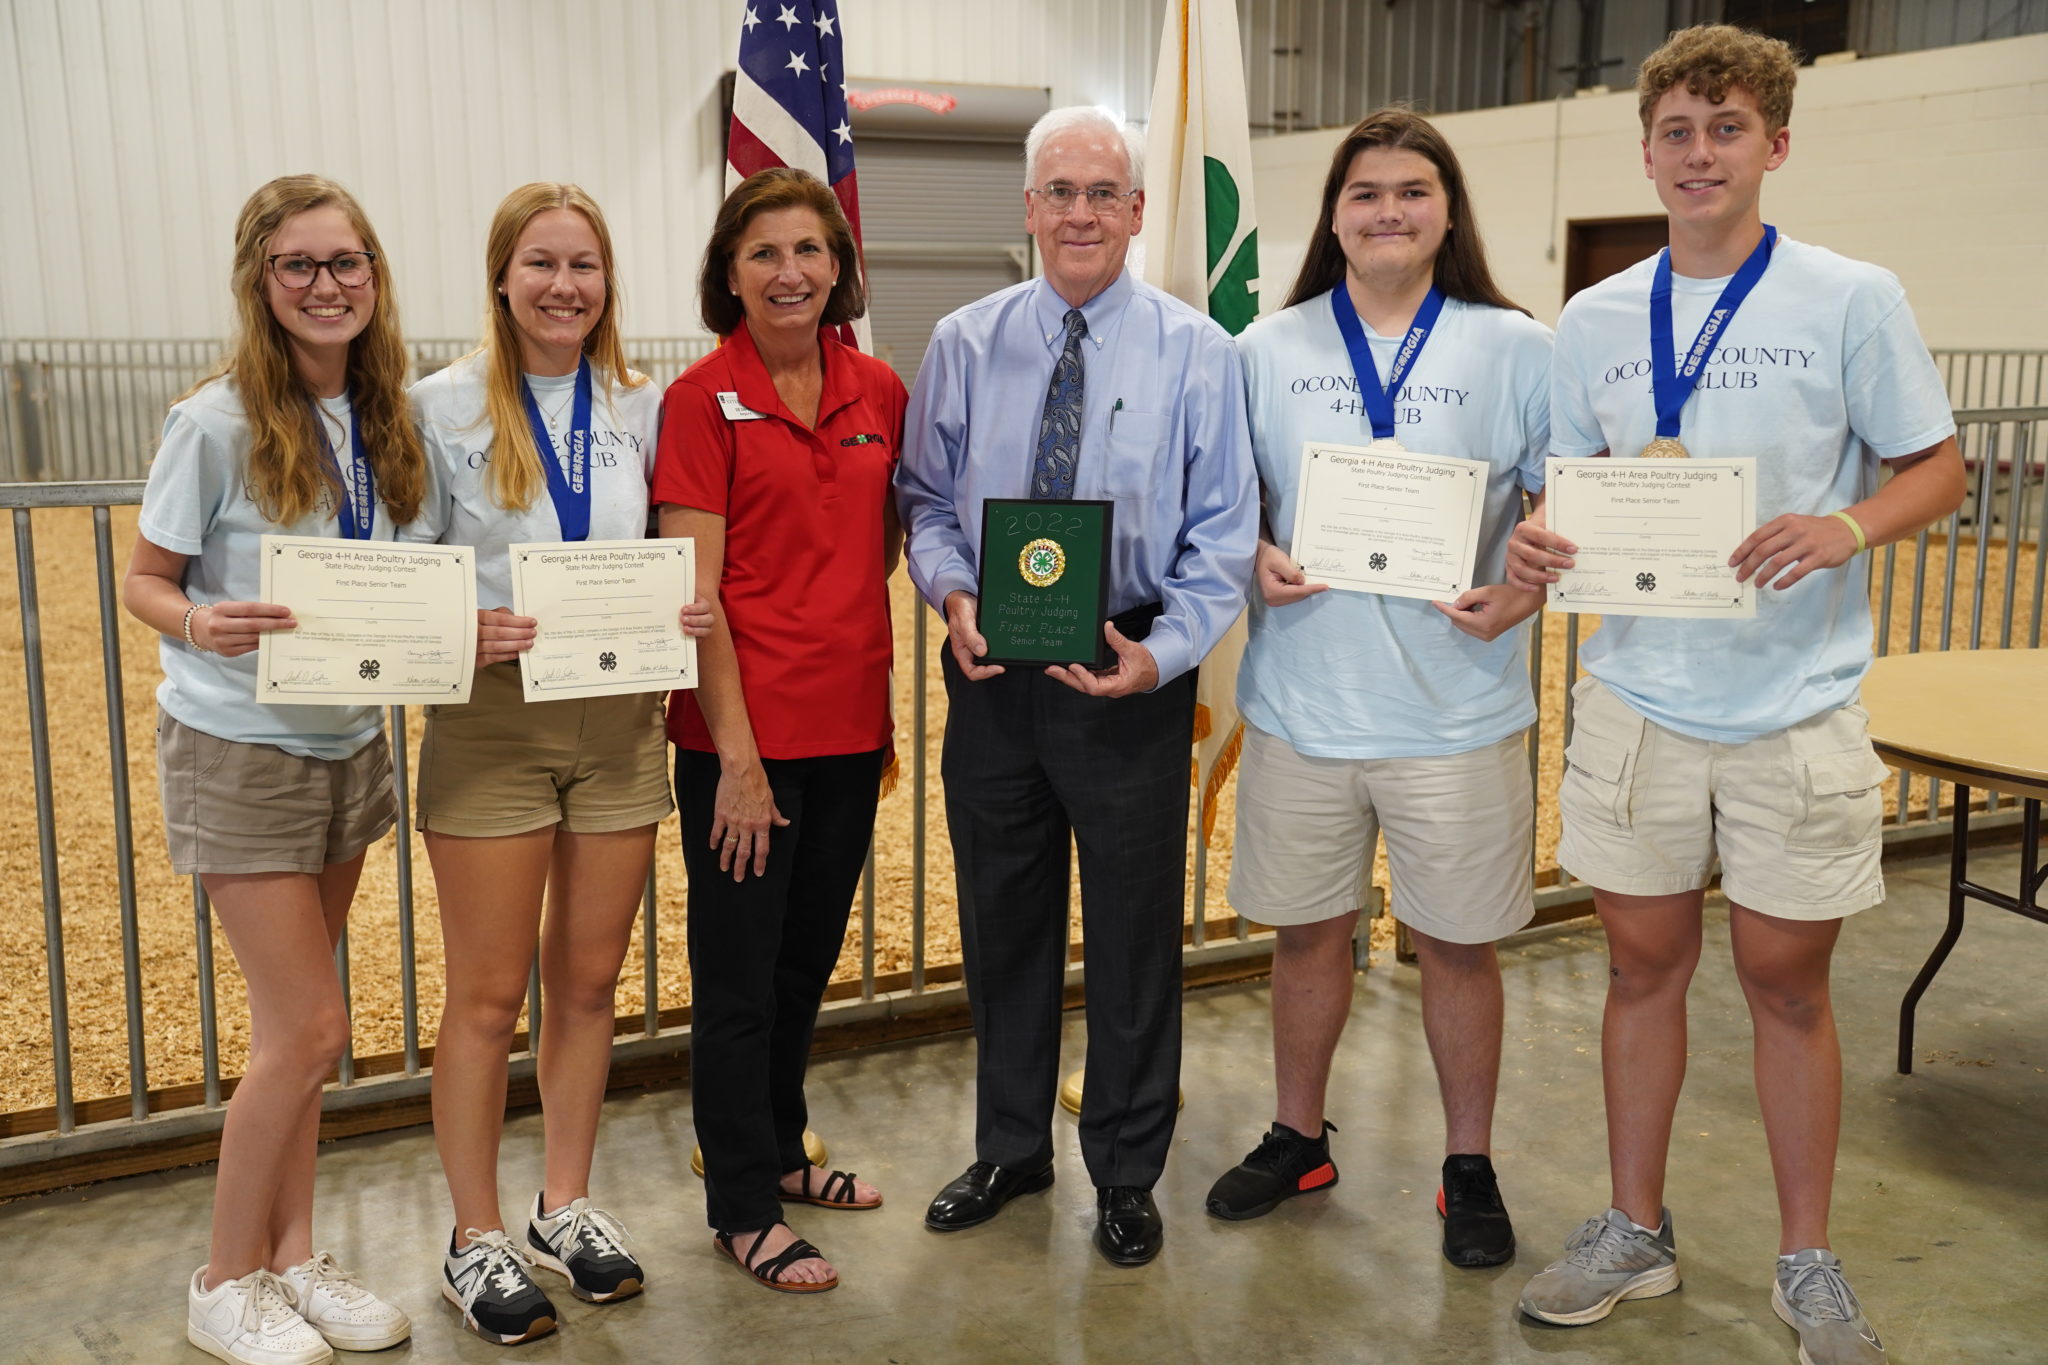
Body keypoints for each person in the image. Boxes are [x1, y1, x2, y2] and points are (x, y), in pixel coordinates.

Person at [1508, 26, 1964, 1365]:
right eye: (1677, 133)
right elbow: (1565, 487)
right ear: (1645, 150)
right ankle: (1634, 1229)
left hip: (1793, 699)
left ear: (1774, 144)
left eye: (1726, 129)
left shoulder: (1848, 295)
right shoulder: (1592, 319)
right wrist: (1539, 538)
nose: (1699, 153)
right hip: (1640, 696)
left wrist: (1849, 526)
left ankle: (1807, 1258)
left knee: (1787, 983)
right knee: (1640, 967)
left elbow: (1933, 465)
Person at [898, 105, 1259, 1268]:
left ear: (1139, 211)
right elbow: (924, 499)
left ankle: (1124, 1166)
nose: (1080, 213)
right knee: (1003, 924)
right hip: (994, 671)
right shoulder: (961, 340)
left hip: (1131, 669)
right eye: (1058, 191)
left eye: (1103, 192)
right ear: (1027, 208)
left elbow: (1222, 533)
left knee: (1133, 936)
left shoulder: (1197, 351)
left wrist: (1162, 655)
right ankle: (1009, 1146)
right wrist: (952, 595)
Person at [1203, 109, 1551, 1271]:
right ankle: (1297, 1136)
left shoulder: (1513, 345)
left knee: (1455, 946)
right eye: (1365, 193)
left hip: (1454, 713)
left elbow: (1563, 498)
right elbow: (1226, 503)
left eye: (1411, 190)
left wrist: (1523, 588)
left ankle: (1467, 1165)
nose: (1387, 211)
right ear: (1334, 215)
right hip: (1304, 706)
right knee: (1307, 939)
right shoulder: (1265, 345)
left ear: (1446, 210)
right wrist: (1250, 551)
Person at [124, 174, 420, 1365]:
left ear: (372, 275)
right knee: (309, 1028)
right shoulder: (215, 422)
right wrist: (201, 624)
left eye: (345, 262)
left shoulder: (384, 411)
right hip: (237, 745)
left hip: (347, 741)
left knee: (299, 1036)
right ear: (261, 279)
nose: (326, 284)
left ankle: (294, 1259)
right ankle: (223, 1276)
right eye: (300, 265)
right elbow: (144, 577)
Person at [410, 183, 707, 1344]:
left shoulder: (638, 402)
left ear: (607, 284)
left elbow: (658, 545)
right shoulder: (436, 405)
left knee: (587, 987)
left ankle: (564, 1208)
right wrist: (454, 626)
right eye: (540, 263)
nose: (563, 286)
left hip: (618, 720)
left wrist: (673, 612)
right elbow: (398, 558)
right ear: (501, 276)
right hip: (493, 723)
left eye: (584, 265)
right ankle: (472, 1236)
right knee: (487, 998)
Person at [655, 167, 904, 1295]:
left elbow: (885, 547)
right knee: (740, 978)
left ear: (839, 268)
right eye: (763, 253)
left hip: (848, 734)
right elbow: (696, 599)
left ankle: (784, 1150)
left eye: (809, 250)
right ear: (729, 274)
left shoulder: (879, 391)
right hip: (737, 749)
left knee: (804, 963)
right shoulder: (699, 401)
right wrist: (740, 769)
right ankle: (741, 1204)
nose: (789, 272)